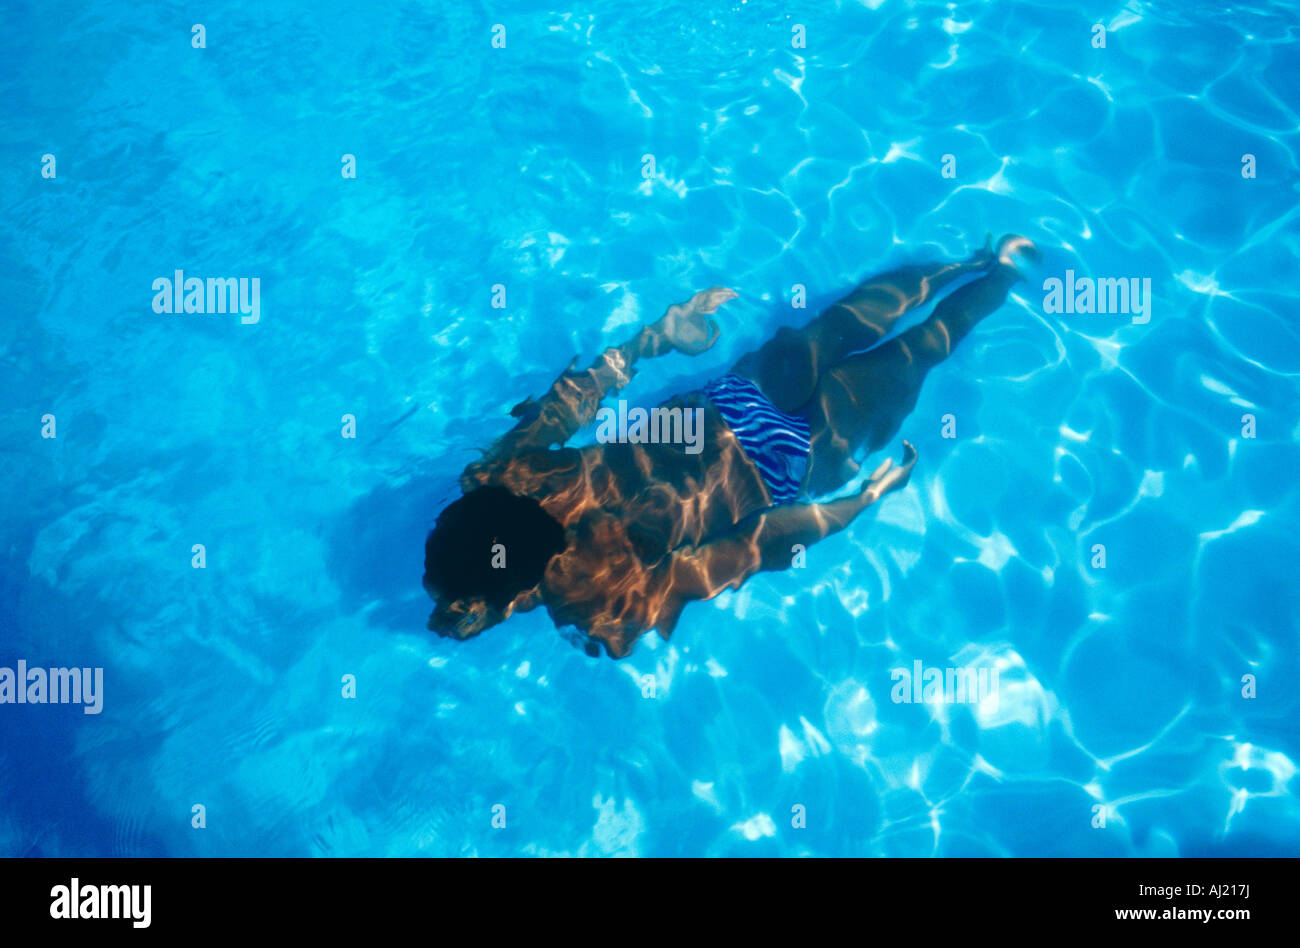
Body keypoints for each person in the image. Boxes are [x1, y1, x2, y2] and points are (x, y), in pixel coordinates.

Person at [423, 235, 1038, 658]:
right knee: (845, 323)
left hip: (782, 466)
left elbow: (749, 549)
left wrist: (857, 504)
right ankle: (973, 262)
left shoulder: (599, 601)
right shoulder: (507, 472)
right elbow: (579, 394)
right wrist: (657, 336)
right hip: (726, 405)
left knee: (917, 352)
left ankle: (1001, 272)